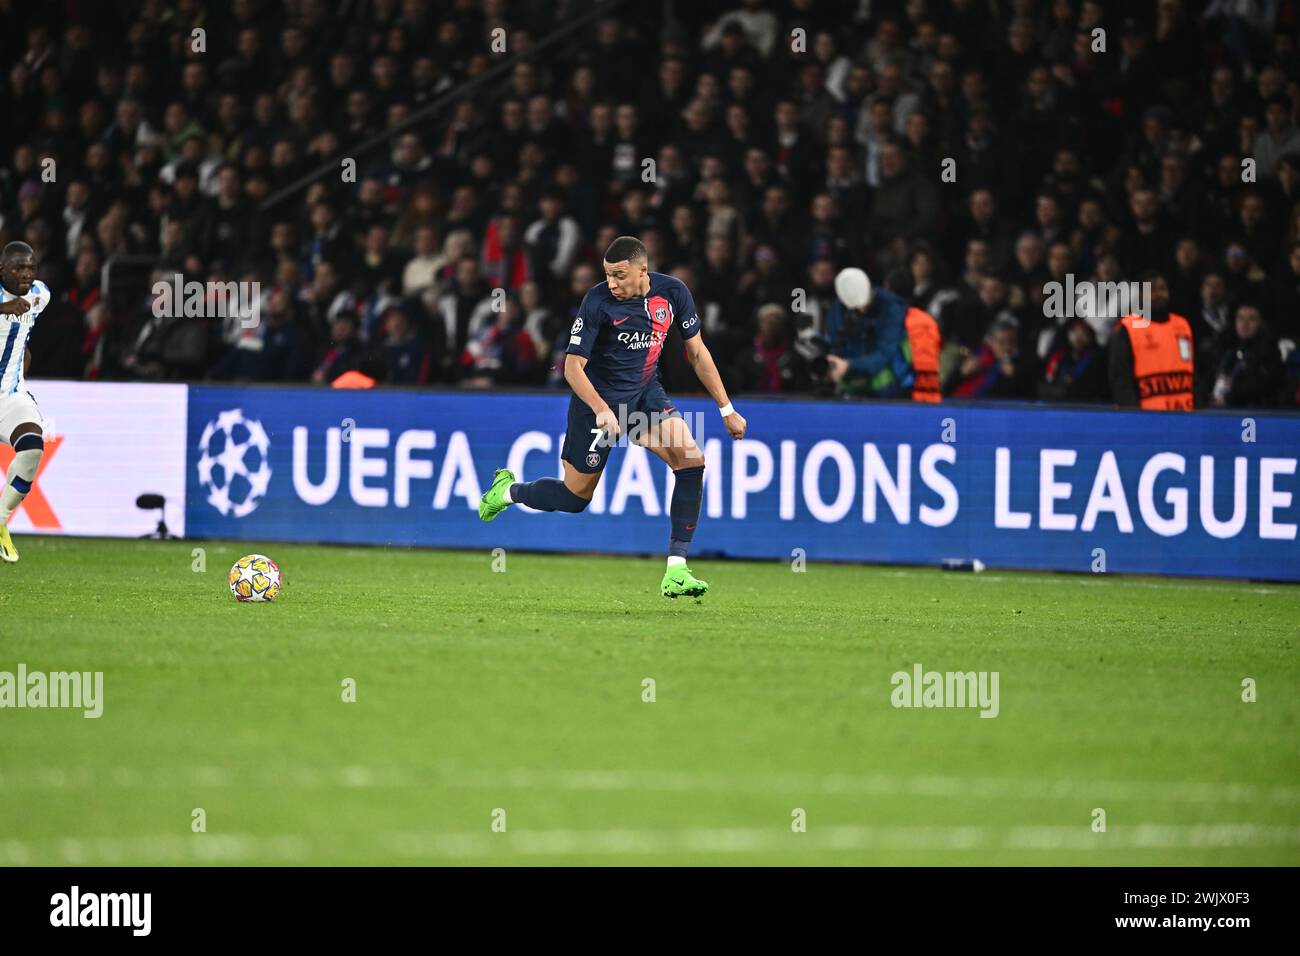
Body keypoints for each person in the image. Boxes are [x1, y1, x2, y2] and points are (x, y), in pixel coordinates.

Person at [476, 236, 747, 599]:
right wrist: (602, 410)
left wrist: (726, 409)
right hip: (596, 405)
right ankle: (507, 491)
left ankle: (676, 570)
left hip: (644, 396)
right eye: (608, 275)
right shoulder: (598, 301)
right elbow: (572, 367)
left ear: (642, 271)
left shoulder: (674, 293)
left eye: (620, 275)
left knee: (692, 462)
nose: (613, 284)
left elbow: (697, 354)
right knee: (575, 498)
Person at [0, 242, 52, 563]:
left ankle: (1, 521)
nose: (25, 275)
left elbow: (22, 342)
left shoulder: (40, 294)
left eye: (30, 268)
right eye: (18, 268)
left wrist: (19, 371)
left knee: (32, 445)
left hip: (8, 397)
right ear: (2, 269)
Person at [1108, 273, 1195, 410]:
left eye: (1162, 289)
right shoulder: (1128, 328)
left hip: (1184, 414)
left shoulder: (1182, 325)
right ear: (1141, 295)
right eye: (1152, 290)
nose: (1159, 294)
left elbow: (1194, 371)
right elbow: (1120, 378)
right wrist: (1133, 414)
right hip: (1147, 417)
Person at [822, 267, 911, 397]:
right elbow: (836, 342)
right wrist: (834, 365)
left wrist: (850, 365)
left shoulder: (892, 307)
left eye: (865, 304)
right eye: (857, 307)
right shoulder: (839, 307)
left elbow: (886, 353)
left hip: (887, 386)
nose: (862, 309)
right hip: (850, 383)